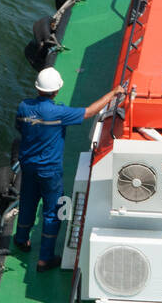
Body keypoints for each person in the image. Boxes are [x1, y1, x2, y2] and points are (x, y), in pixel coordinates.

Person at [13, 68, 122, 271]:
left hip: (28, 166)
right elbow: (89, 112)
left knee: (28, 202)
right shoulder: (59, 113)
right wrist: (114, 93)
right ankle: (45, 258)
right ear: (56, 91)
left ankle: (21, 239)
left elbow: (20, 128)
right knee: (52, 211)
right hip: (49, 171)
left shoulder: (23, 107)